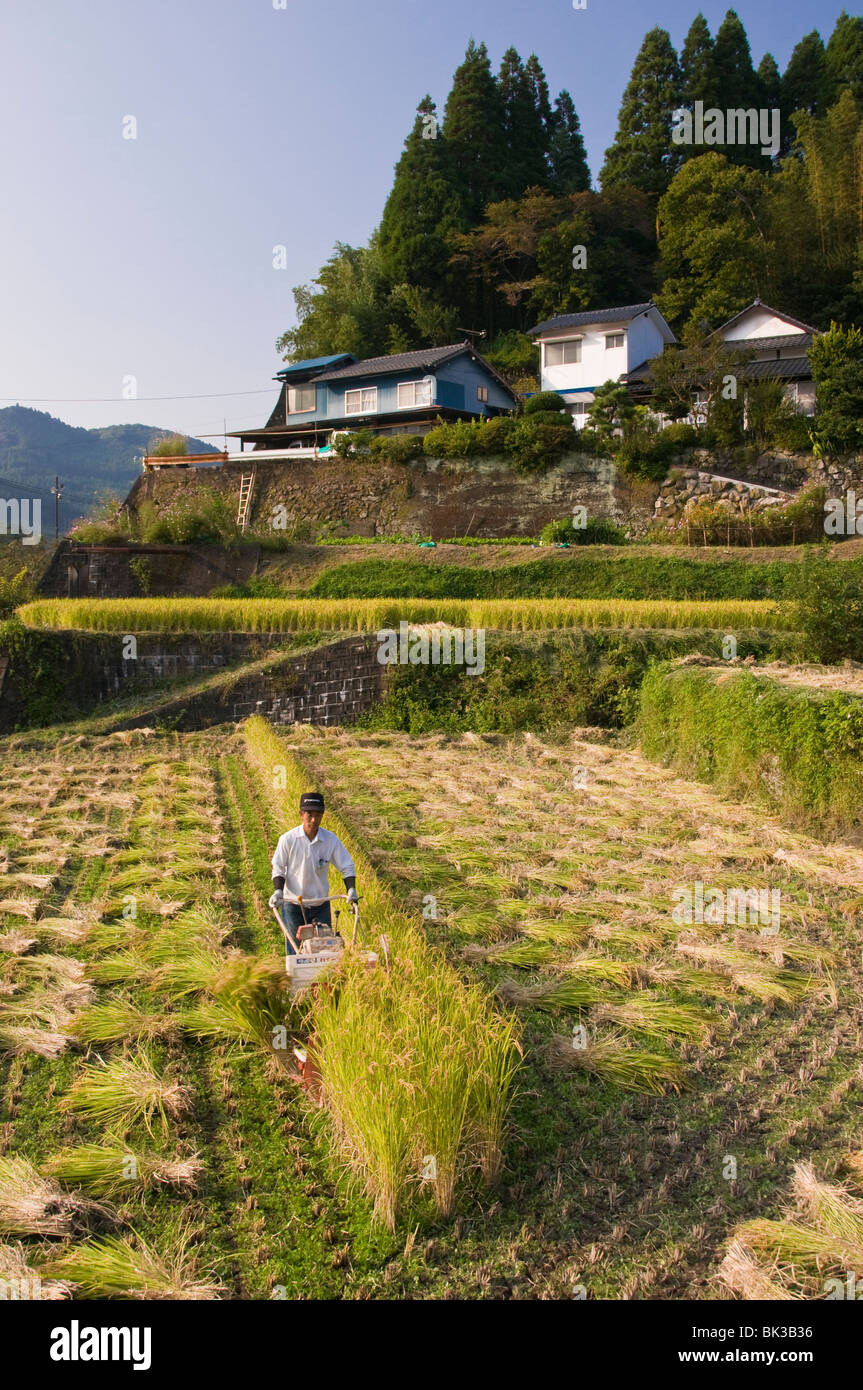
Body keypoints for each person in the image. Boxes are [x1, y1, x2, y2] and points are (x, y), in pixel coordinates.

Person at [269, 792, 358, 953]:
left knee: (324, 951)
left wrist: (351, 889)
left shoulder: (330, 840)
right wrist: (278, 891)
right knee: (296, 951)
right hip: (293, 904)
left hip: (320, 905)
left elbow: (347, 865)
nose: (313, 820)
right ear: (301, 814)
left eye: (318, 816)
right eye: (309, 815)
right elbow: (278, 866)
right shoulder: (288, 839)